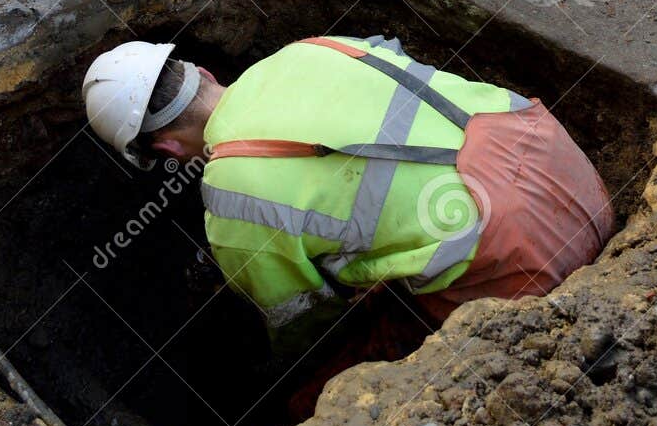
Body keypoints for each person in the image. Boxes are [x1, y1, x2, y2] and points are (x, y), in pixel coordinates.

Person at [82, 35, 614, 356]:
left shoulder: (229, 201)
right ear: (203, 72)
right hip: (563, 165)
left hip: (524, 265)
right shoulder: (309, 49)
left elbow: (304, 324)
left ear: (169, 148)